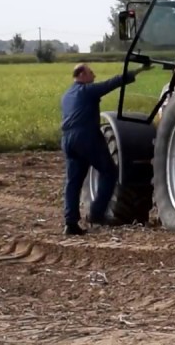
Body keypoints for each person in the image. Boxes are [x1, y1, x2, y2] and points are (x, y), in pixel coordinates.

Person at [60, 61, 151, 235]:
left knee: (73, 182)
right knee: (109, 172)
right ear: (81, 75)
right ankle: (97, 213)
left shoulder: (66, 95)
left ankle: (70, 223)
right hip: (85, 136)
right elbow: (112, 83)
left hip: (67, 139)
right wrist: (137, 71)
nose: (93, 76)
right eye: (91, 72)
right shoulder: (87, 91)